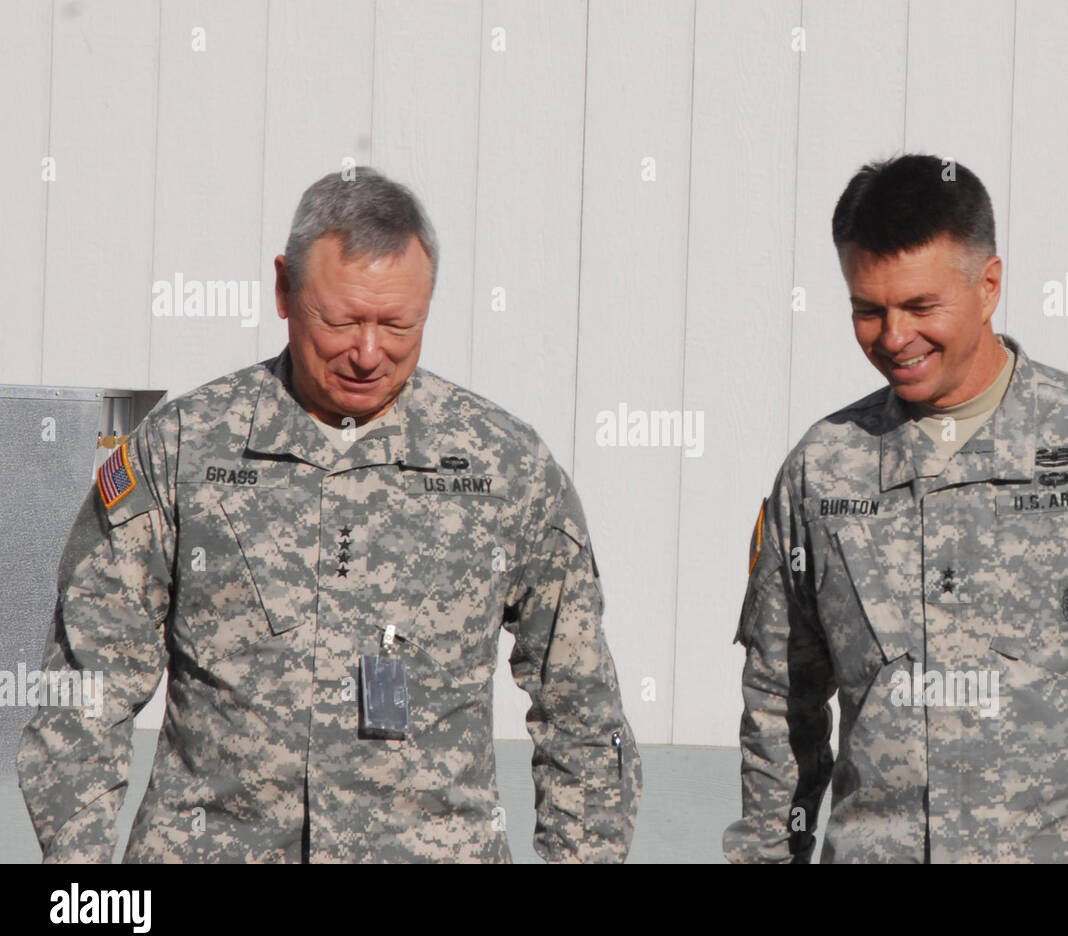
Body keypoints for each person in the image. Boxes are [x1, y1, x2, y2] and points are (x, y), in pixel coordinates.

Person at [18, 167, 641, 863]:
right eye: (342, 321)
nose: (369, 353)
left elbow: (583, 712)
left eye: (399, 324)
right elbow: (83, 691)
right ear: (284, 290)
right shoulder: (184, 449)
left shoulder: (503, 467)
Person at [723, 154, 1068, 864]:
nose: (892, 337)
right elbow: (778, 707)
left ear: (988, 286)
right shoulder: (821, 470)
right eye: (867, 309)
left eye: (920, 307)